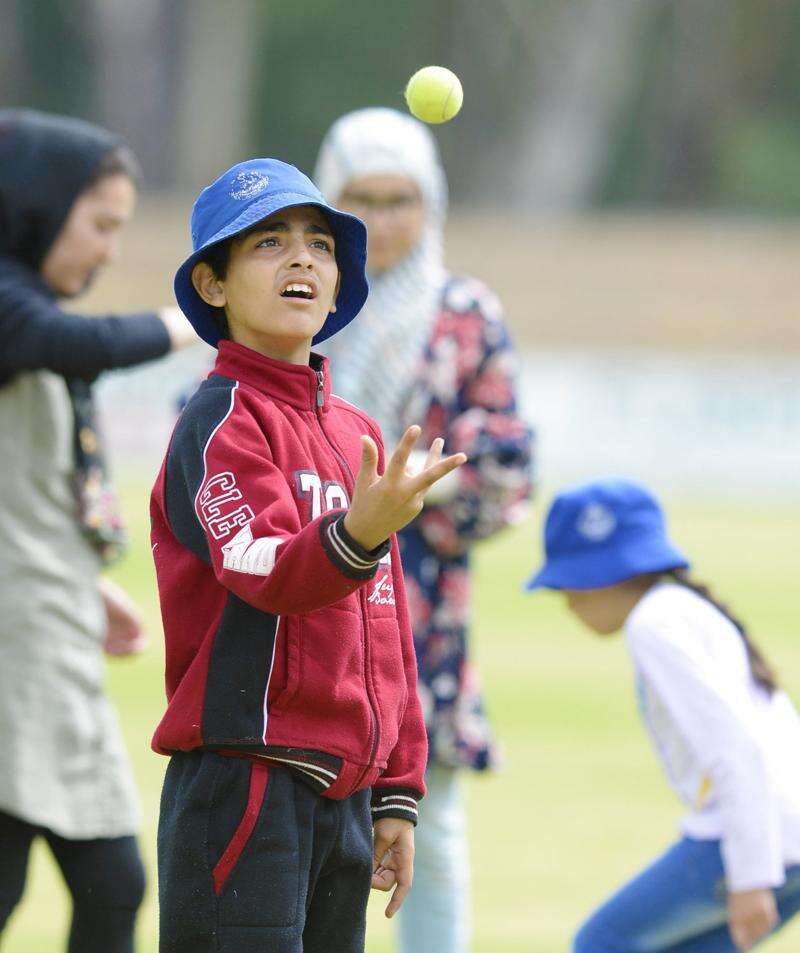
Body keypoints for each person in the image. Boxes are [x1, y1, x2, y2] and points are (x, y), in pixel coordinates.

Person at [150, 156, 466, 953]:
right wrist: (361, 530)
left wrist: (397, 790)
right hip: (243, 783)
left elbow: (388, 627)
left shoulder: (356, 430)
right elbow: (260, 567)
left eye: (321, 244)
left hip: (342, 798)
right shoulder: (219, 420)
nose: (302, 259)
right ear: (213, 285)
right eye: (268, 242)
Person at [314, 107, 533, 953]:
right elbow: (219, 433)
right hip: (298, 598)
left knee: (428, 835)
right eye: (358, 197)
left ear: (431, 203)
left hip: (416, 611)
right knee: (295, 829)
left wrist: (398, 496)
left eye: (400, 198)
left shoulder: (462, 310)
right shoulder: (298, 299)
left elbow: (508, 465)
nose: (379, 218)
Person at [0, 110, 196, 952]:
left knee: (109, 880)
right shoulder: (17, 313)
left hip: (47, 628)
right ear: (41, 203)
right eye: (102, 223)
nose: (111, 249)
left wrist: (87, 581)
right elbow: (70, 342)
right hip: (14, 647)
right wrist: (201, 317)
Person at [525, 476, 800, 953]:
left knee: (602, 940)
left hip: (757, 838)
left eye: (569, 583)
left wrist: (751, 874)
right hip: (785, 834)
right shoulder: (684, 608)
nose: (566, 601)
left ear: (608, 573)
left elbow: (735, 746)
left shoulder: (655, 624)